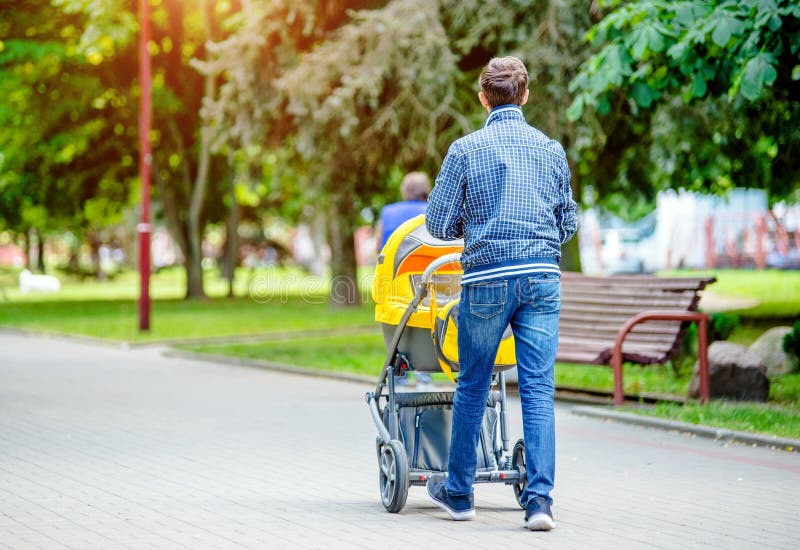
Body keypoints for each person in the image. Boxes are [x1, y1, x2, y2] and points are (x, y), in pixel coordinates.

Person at [424, 56, 577, 531]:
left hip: (486, 278)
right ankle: (539, 505)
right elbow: (568, 223)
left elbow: (436, 224)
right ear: (525, 95)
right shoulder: (551, 150)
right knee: (538, 389)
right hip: (541, 278)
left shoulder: (465, 150)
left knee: (473, 385)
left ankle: (459, 494)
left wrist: (473, 223)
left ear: (482, 97)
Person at [377, 172, 435, 390]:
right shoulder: (433, 212)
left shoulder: (388, 212)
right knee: (427, 322)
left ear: (404, 191)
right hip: (429, 280)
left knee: (396, 321)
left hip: (395, 280)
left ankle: (399, 375)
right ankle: (424, 377)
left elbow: (379, 247)